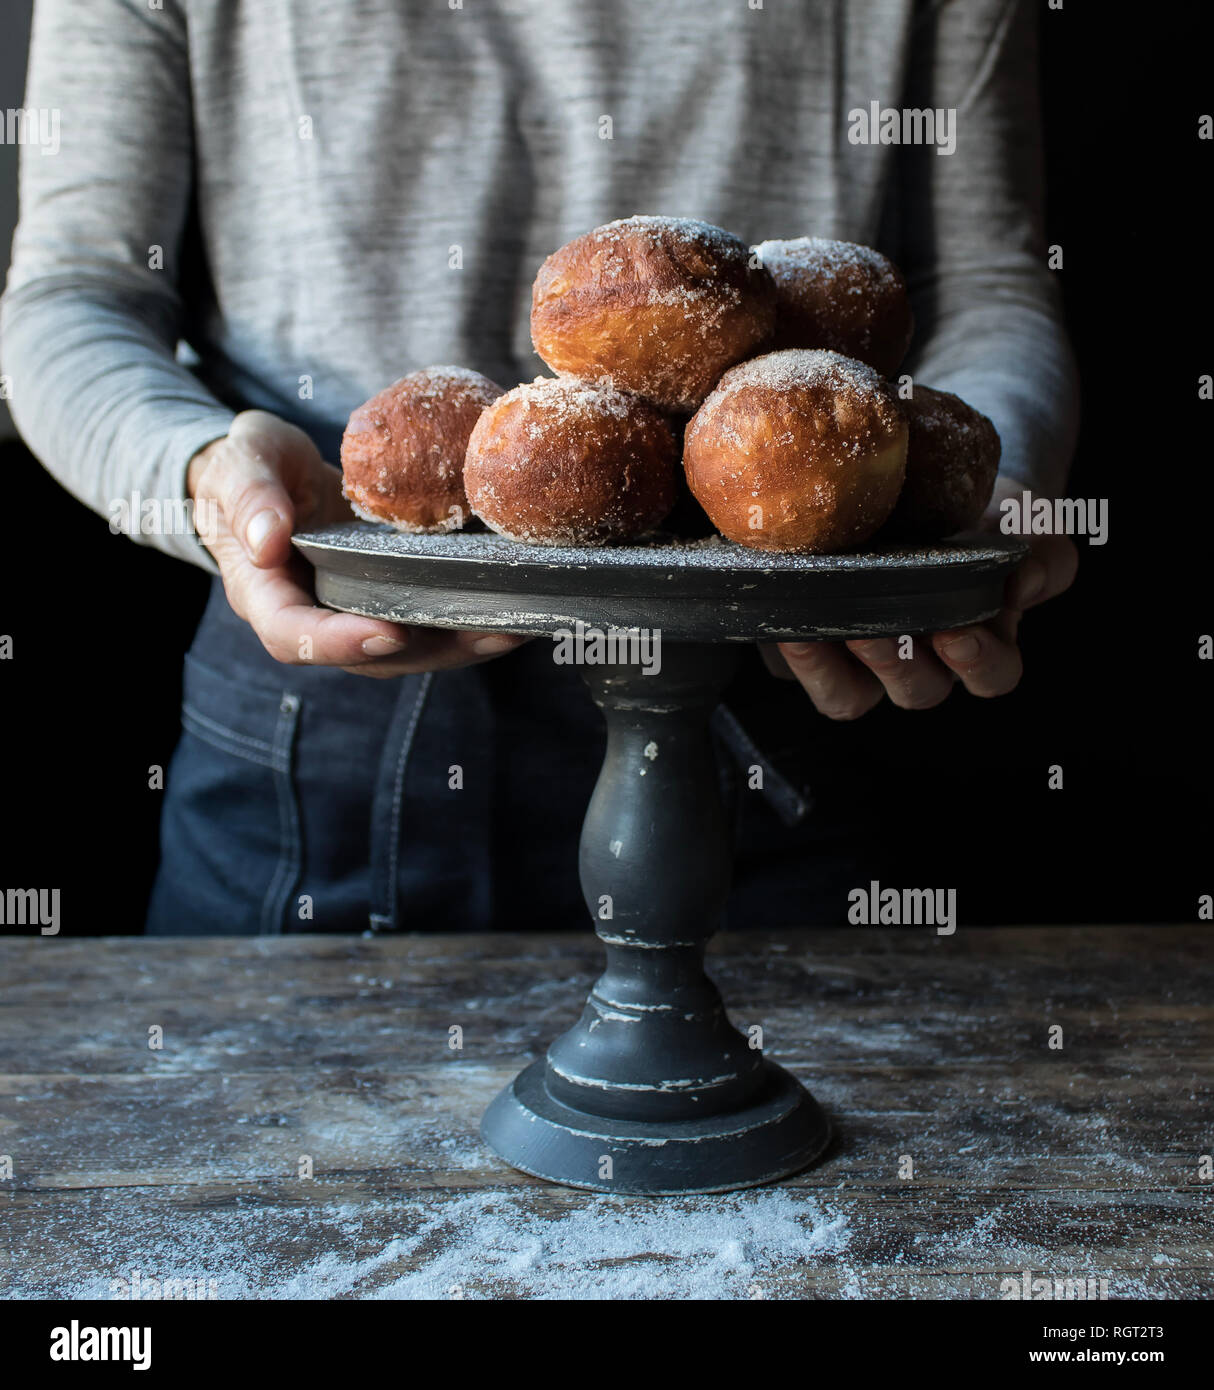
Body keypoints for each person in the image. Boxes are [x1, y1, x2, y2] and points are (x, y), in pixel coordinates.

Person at [2, 0, 1078, 935]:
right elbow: (73, 292)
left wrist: (984, 498)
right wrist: (202, 476)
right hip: (322, 686)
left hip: (778, 673)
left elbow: (980, 279)